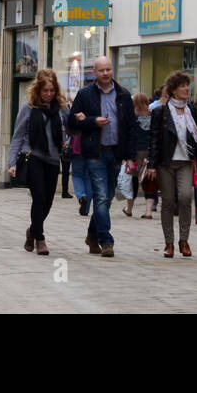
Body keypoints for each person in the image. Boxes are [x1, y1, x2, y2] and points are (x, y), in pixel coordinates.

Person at [67, 56, 138, 258]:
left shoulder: (123, 95)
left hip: (116, 153)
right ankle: (106, 241)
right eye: (101, 70)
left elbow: (131, 127)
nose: (106, 73)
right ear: (94, 73)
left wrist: (131, 157)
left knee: (105, 199)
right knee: (100, 196)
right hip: (95, 153)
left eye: (108, 69)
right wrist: (91, 121)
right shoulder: (85, 95)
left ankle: (91, 236)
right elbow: (71, 125)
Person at [145, 71, 197, 258]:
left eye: (187, 85)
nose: (186, 88)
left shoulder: (192, 110)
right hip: (166, 162)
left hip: (185, 162)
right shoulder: (161, 111)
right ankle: (169, 243)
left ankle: (184, 240)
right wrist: (152, 164)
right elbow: (154, 139)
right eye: (182, 86)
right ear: (173, 90)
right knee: (168, 201)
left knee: (185, 197)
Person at [8, 69, 71, 255]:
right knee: (39, 198)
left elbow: (72, 127)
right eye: (46, 91)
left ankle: (32, 231)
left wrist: (78, 123)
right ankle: (40, 239)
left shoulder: (61, 107)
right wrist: (12, 163)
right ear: (38, 90)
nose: (49, 94)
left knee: (49, 201)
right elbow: (17, 137)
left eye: (52, 90)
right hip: (34, 156)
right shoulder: (28, 108)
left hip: (53, 159)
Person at [129, 93, 156, 219]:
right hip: (151, 152)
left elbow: (129, 137)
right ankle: (148, 211)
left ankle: (129, 209)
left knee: (133, 180)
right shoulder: (153, 115)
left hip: (136, 152)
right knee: (150, 180)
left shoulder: (132, 117)